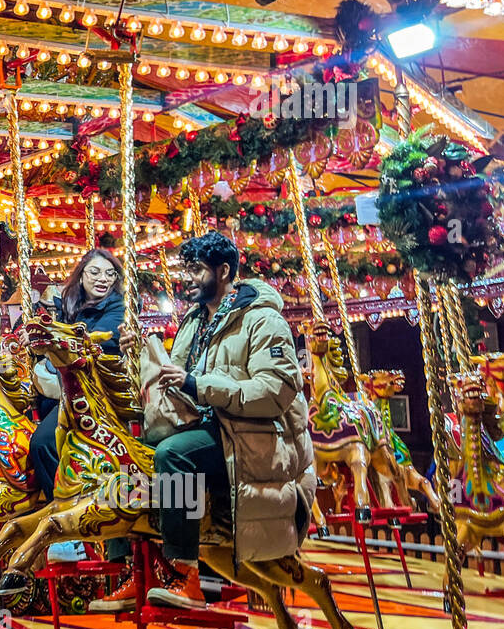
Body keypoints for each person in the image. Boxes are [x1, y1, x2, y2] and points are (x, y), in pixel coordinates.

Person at [145, 231, 315, 609]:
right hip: (208, 426)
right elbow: (180, 377)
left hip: (249, 435)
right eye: (185, 269)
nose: (187, 277)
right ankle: (129, 565)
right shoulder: (193, 320)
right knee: (129, 456)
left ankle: (183, 571)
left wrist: (198, 385)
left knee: (174, 456)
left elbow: (275, 390)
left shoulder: (263, 320)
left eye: (196, 270)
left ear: (223, 271)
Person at [27, 249, 129, 597]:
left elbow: (90, 343)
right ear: (81, 276)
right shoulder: (64, 302)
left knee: (43, 442)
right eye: (95, 273)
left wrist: (57, 341)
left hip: (95, 390)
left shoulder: (117, 307)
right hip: (63, 385)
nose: (103, 280)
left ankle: (67, 528)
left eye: (110, 274)